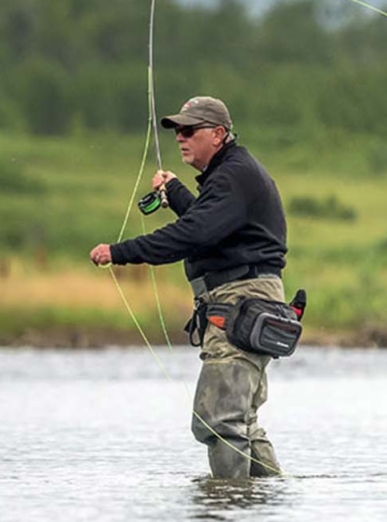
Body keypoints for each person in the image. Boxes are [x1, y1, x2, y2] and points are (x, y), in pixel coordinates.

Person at [90, 96, 288, 479]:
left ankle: (228, 510)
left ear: (218, 134)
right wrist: (178, 194)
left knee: (218, 421)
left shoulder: (233, 175)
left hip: (241, 302)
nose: (180, 138)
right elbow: (215, 228)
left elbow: (193, 234)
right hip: (249, 301)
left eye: (189, 130)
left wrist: (119, 252)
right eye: (177, 130)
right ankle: (266, 501)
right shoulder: (232, 174)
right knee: (240, 423)